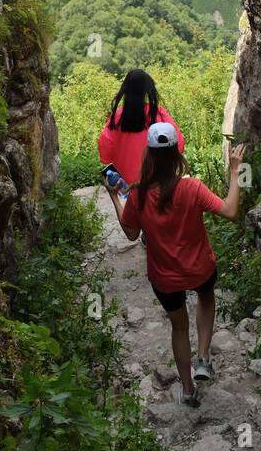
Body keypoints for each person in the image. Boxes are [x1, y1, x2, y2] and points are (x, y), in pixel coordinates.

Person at [105, 121, 245, 406]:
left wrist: (115, 197)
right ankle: (203, 358)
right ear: (177, 155)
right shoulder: (191, 188)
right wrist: (234, 171)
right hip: (200, 269)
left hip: (165, 278)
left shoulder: (137, 195)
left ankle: (187, 389)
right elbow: (230, 211)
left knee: (178, 328)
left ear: (149, 155)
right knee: (206, 297)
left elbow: (131, 234)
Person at [97, 68, 184, 190]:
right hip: (156, 185)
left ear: (125, 90)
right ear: (146, 91)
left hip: (126, 188)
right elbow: (178, 143)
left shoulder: (117, 118)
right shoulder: (157, 114)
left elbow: (104, 148)